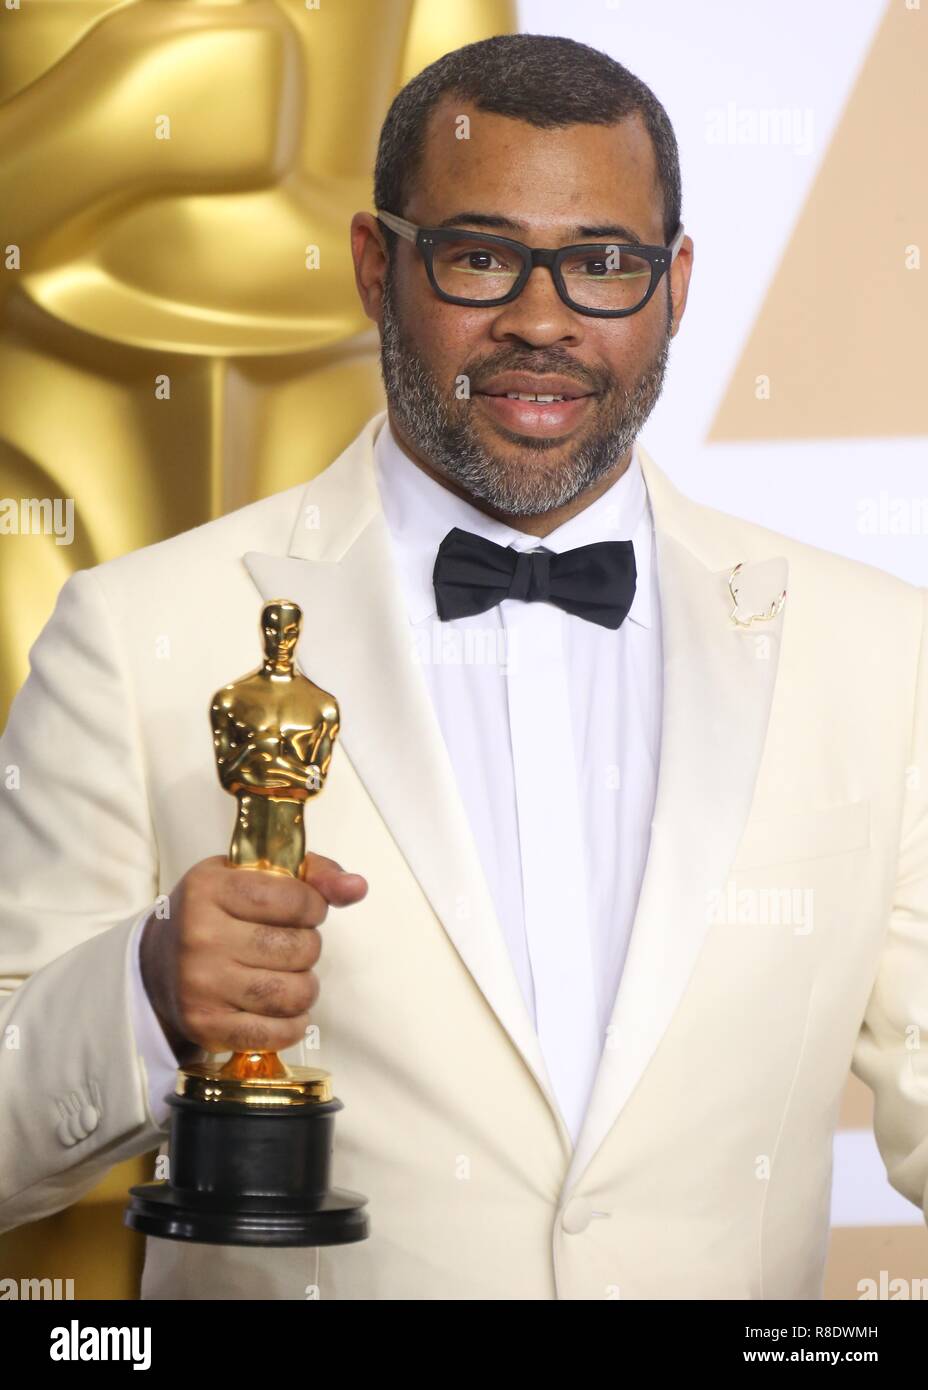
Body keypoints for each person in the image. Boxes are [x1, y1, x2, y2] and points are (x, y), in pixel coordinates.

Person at [1, 33, 925, 1301]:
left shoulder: (876, 649)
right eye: (481, 256)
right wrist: (145, 992)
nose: (541, 322)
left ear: (677, 283)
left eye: (602, 263)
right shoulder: (133, 630)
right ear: (377, 266)